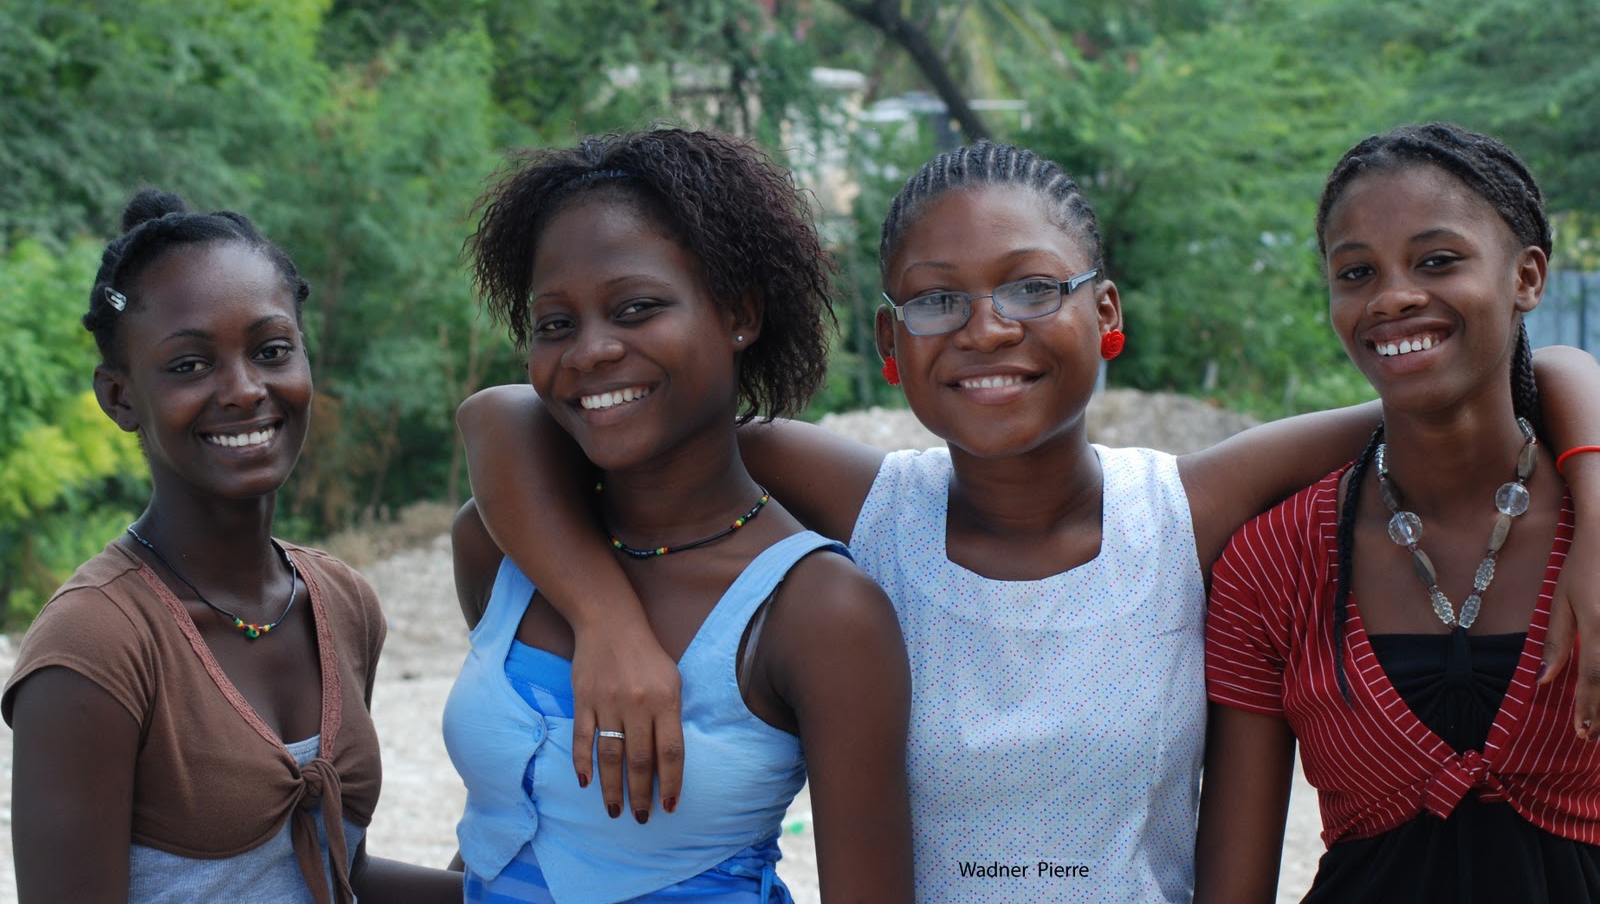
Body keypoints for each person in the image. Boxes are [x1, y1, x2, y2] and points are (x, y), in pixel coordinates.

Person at [458, 140, 1600, 902]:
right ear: (890, 341)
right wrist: (603, 612)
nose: (985, 327)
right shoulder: (860, 506)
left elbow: (1496, 369)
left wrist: (1590, 500)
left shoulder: (1184, 512)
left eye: (1029, 285)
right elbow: (516, 418)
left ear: (1104, 312)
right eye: (937, 298)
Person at [442, 128, 914, 903]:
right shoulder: (503, 551)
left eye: (636, 308)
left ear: (738, 314)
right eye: (555, 324)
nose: (591, 350)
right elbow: (504, 846)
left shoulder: (821, 610)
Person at [3, 189, 463, 904]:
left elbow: (341, 874)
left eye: (271, 350)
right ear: (120, 397)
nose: (245, 389)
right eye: (189, 365)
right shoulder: (96, 644)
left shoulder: (341, 602)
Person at [1196, 123, 1600, 903]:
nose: (1393, 296)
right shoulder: (1274, 563)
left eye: (1437, 260)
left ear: (1528, 276)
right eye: (1356, 271)